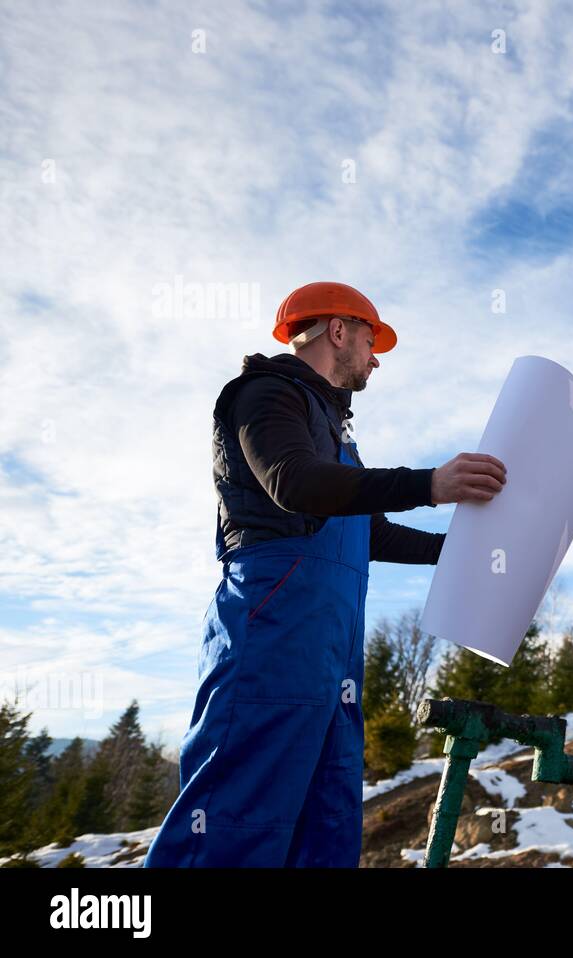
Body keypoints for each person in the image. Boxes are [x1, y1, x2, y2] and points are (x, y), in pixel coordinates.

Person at [144, 281, 506, 867]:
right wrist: (429, 484)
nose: (376, 356)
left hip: (333, 657)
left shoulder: (340, 436)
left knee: (326, 823)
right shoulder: (264, 395)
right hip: (271, 637)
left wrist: (464, 553)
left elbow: (371, 533)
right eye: (370, 339)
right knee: (237, 813)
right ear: (337, 330)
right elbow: (295, 484)